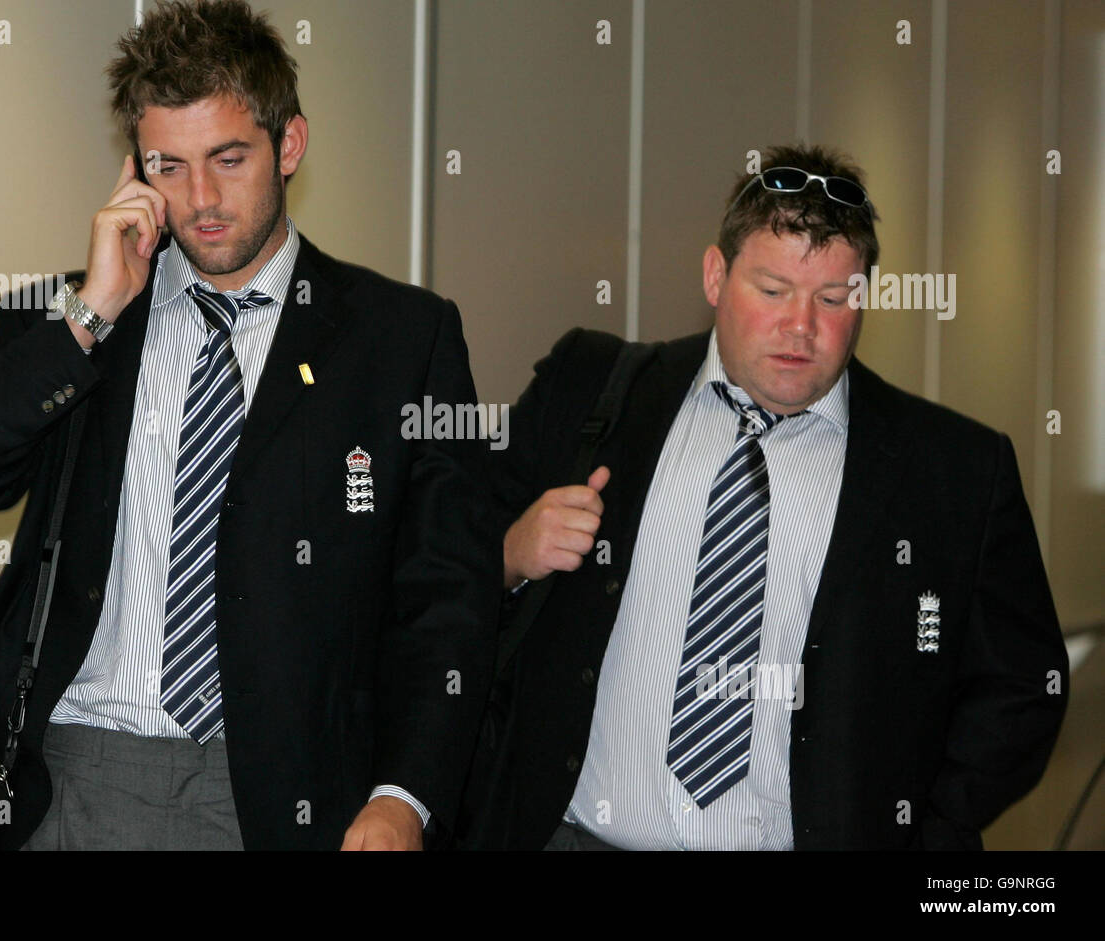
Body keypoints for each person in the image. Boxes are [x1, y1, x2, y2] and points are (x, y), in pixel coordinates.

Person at [0, 0, 497, 851]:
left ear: (289, 144)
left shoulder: (400, 339)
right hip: (71, 776)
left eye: (228, 158)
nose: (202, 201)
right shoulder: (75, 318)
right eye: (167, 167)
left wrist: (405, 795)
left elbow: (448, 600)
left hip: (279, 791)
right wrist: (90, 314)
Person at [456, 144, 1069, 851]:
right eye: (773, 290)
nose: (799, 327)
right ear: (716, 275)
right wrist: (508, 552)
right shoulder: (590, 388)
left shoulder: (954, 470)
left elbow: (1027, 687)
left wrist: (919, 822)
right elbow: (437, 572)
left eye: (832, 299)